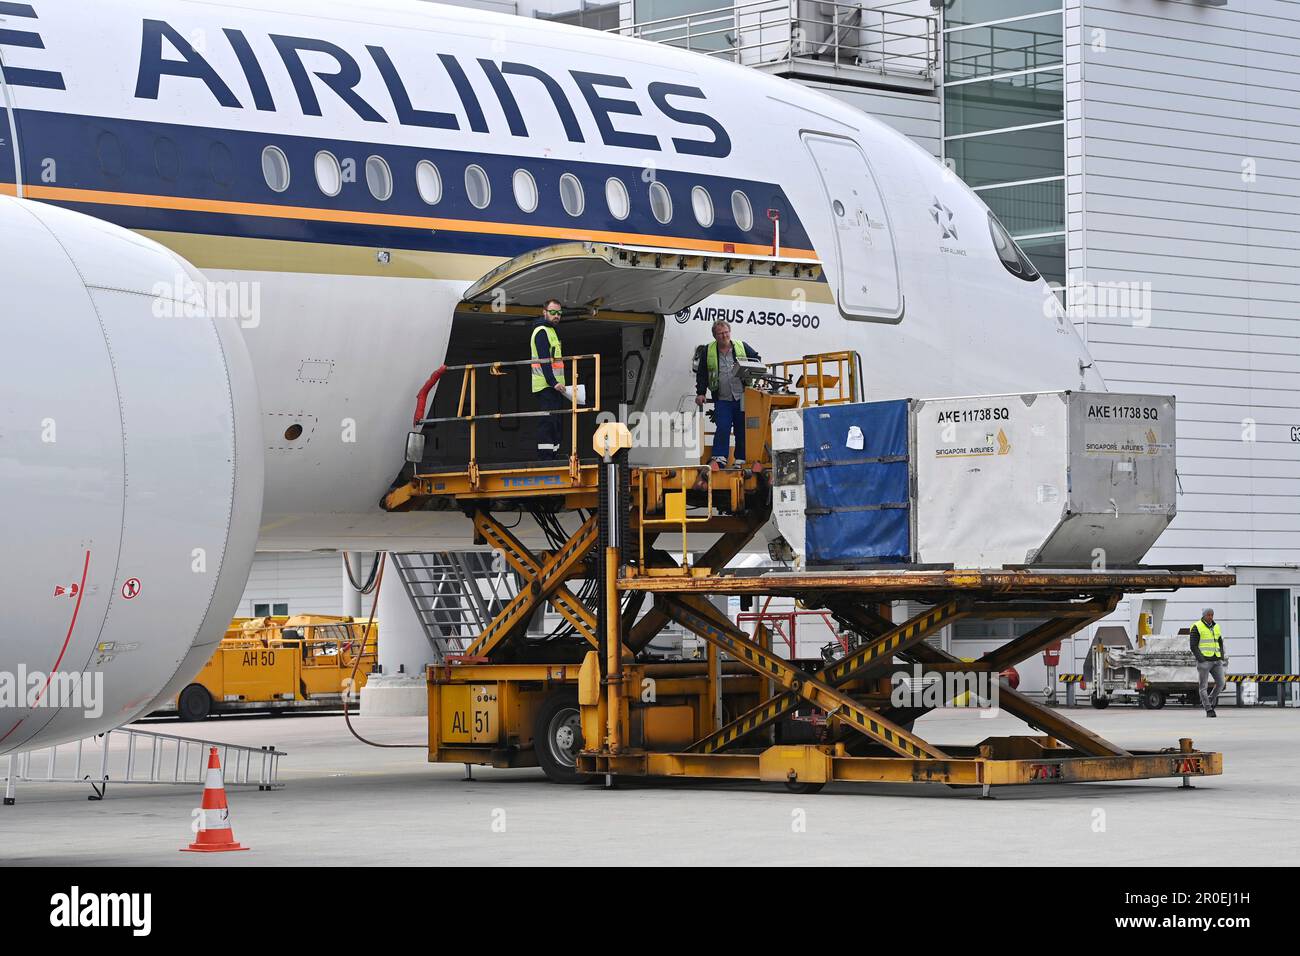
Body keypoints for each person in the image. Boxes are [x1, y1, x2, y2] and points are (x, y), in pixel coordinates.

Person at [695, 320, 760, 470]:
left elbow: (757, 359)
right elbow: (702, 373)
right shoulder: (708, 350)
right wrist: (701, 393)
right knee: (722, 426)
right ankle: (719, 458)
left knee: (741, 428)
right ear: (715, 336)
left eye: (726, 332)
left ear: (730, 332)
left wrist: (749, 372)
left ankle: (741, 459)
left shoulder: (741, 346)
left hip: (742, 396)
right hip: (722, 397)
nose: (724, 336)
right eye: (720, 333)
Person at [530, 298, 569, 461]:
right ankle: (545, 458)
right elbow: (544, 360)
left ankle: (553, 454)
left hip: (556, 388)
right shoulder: (541, 331)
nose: (556, 316)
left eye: (559, 313)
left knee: (556, 423)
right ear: (544, 312)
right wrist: (553, 382)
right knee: (548, 422)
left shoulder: (551, 330)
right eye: (553, 312)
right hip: (546, 386)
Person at [1189, 607, 1227, 717]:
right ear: (1204, 615)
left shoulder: (1216, 626)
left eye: (1212, 615)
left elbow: (1219, 642)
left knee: (1221, 683)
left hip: (1216, 660)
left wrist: (1221, 656)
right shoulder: (1197, 626)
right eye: (1208, 615)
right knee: (1203, 687)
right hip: (1204, 661)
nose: (1210, 617)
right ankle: (1208, 709)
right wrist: (1201, 659)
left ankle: (1209, 700)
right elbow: (1193, 646)